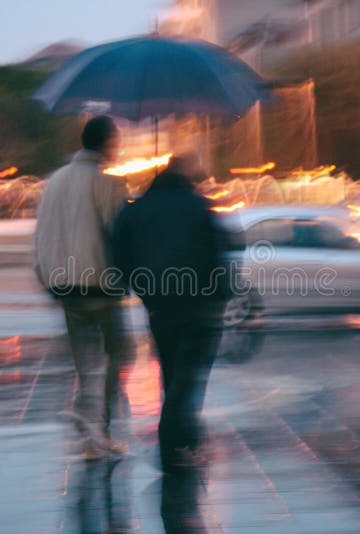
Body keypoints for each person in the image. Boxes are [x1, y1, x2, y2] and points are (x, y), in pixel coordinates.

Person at [112, 153, 232, 473]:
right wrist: (220, 295)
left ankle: (181, 440)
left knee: (171, 373)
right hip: (198, 306)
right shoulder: (199, 207)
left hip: (158, 306)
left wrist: (140, 288)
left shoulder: (136, 210)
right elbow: (218, 252)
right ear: (186, 175)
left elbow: (119, 254)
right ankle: (175, 439)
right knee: (189, 376)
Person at [34, 115, 130, 457]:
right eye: (116, 141)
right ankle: (100, 427)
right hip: (98, 282)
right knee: (120, 351)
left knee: (83, 358)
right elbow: (117, 231)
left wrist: (46, 276)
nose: (118, 148)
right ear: (106, 143)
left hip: (63, 284)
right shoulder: (106, 181)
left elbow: (42, 232)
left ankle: (82, 420)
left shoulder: (55, 179)